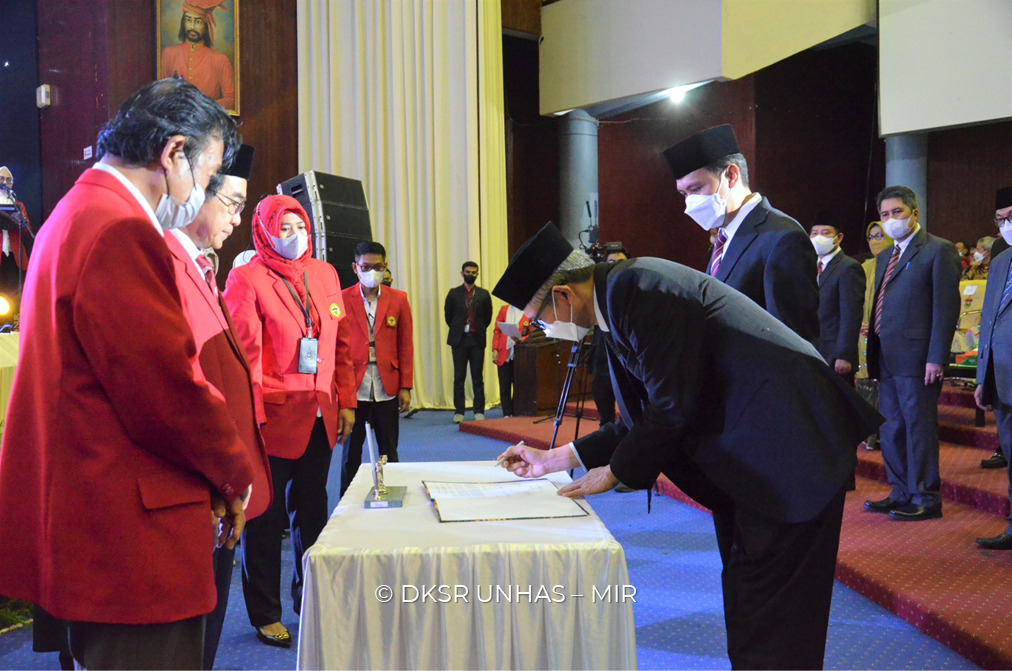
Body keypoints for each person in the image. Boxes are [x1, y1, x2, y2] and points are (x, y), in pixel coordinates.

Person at [492, 223, 880, 670]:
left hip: (790, 456)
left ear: (563, 296)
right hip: (758, 462)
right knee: (749, 603)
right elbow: (644, 416)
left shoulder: (637, 288)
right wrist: (558, 458)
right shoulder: (618, 295)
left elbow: (671, 404)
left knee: (775, 619)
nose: (543, 327)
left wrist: (616, 472)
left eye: (539, 316)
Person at [0, 78, 252, 670]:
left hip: (90, 513)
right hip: (131, 535)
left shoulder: (76, 208)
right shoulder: (121, 228)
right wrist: (232, 473)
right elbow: (165, 392)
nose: (205, 192)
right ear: (172, 154)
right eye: (208, 172)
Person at [223, 194, 356, 648]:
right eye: (284, 228)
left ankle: (310, 599)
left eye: (300, 227)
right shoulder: (246, 279)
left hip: (321, 414)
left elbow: (338, 343)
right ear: (264, 230)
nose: (294, 236)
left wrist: (347, 402)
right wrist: (252, 420)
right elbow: (245, 359)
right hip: (271, 421)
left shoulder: (325, 274)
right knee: (264, 518)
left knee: (313, 513)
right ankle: (264, 612)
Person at [162, 143, 273, 669]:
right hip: (202, 489)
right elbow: (183, 389)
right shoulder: (165, 264)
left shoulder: (203, 266)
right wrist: (224, 479)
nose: (237, 219)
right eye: (230, 203)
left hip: (225, 487)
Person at [663, 124, 819, 343]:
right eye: (684, 194)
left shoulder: (781, 238)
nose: (690, 203)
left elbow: (792, 343)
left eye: (696, 189)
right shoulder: (724, 239)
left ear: (731, 175)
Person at [864, 186, 961, 521]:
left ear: (915, 213)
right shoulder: (884, 257)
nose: (891, 220)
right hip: (886, 356)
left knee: (917, 427)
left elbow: (945, 309)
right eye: (885, 214)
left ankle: (925, 497)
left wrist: (937, 356)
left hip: (919, 358)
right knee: (891, 427)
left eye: (898, 213)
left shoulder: (938, 250)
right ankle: (900, 490)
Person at [340, 241, 413, 495]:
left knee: (388, 449)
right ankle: (345, 503)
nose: (372, 271)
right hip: (354, 387)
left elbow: (406, 345)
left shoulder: (399, 299)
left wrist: (406, 386)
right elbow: (337, 349)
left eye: (378, 267)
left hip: (387, 385)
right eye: (366, 266)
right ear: (355, 267)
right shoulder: (341, 299)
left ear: (386, 267)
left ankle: (392, 494)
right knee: (351, 452)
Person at [972, 186, 1012, 549]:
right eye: (1001, 220)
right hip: (1001, 377)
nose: (1006, 225)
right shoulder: (1000, 261)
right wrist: (981, 377)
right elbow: (988, 322)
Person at [810, 211, 865, 385]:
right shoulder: (809, 266)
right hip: (813, 351)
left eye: (825, 233)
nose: (819, 237)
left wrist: (844, 355)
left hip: (835, 356)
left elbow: (851, 315)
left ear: (838, 237)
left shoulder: (848, 268)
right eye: (814, 233)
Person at [856, 221, 894, 450]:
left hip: (888, 335)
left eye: (880, 235)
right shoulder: (864, 267)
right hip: (863, 335)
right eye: (871, 237)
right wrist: (858, 323)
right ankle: (870, 435)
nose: (875, 241)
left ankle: (886, 435)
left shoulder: (898, 263)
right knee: (867, 386)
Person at [160, 0, 236, 110]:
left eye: (198, 22)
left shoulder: (221, 60)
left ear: (206, 26)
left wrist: (202, 108)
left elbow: (231, 100)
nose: (192, 26)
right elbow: (161, 95)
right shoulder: (168, 54)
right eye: (188, 20)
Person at [444, 261, 492, 422]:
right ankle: (459, 411)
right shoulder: (453, 293)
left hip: (477, 340)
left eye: (473, 272)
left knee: (477, 377)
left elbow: (487, 318)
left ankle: (479, 411)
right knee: (459, 377)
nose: (470, 275)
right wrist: (459, 328)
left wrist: (476, 328)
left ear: (477, 274)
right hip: (459, 341)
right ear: (462, 273)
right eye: (467, 272)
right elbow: (448, 316)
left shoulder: (484, 294)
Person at [590, 246, 629, 425]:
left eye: (620, 263)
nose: (615, 267)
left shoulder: (635, 289)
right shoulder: (596, 291)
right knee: (604, 412)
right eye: (611, 263)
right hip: (602, 357)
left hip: (627, 358)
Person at [491, 303, 531, 418]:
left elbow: (532, 332)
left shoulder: (529, 312)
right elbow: (497, 330)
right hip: (504, 352)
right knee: (504, 384)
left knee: (518, 385)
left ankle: (515, 411)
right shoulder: (504, 310)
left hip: (520, 354)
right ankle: (506, 413)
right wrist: (495, 349)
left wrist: (521, 339)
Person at [0, 166, 34, 298]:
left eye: (9, 180)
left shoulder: (18, 205)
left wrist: (20, 220)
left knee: (13, 294)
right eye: (1, 178)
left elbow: (27, 231)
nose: (4, 182)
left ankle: (15, 319)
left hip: (14, 256)